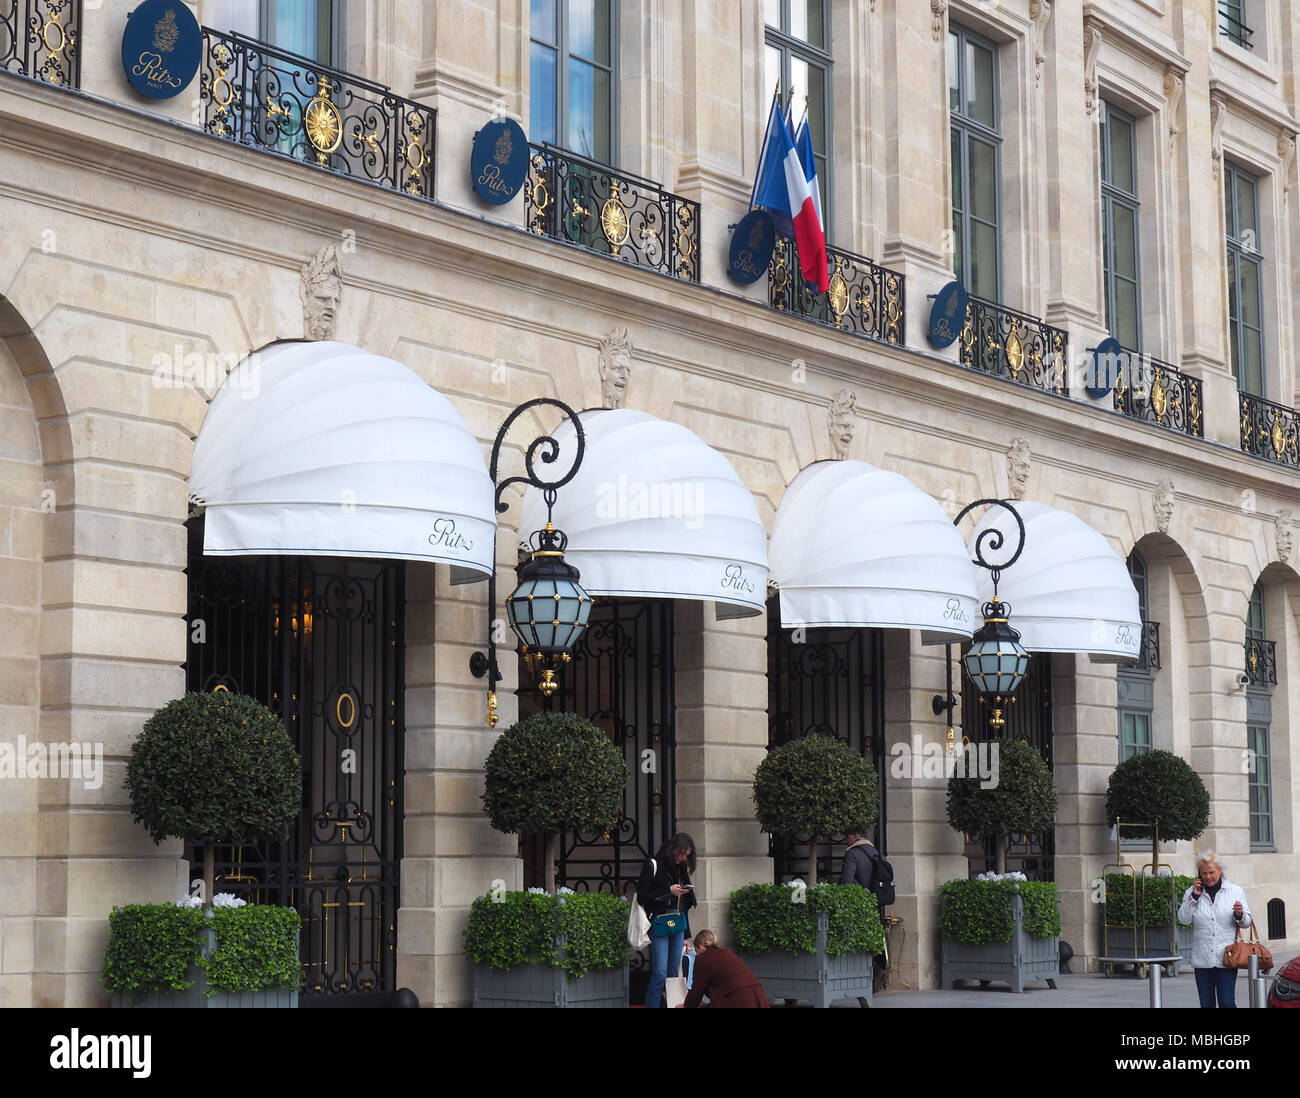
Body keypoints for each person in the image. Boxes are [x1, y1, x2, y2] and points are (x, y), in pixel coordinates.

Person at [1177, 850, 1253, 1008]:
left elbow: (1247, 922)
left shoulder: (1235, 891)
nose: (1208, 876)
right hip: (1202, 959)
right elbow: (1183, 919)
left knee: (1227, 1003)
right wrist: (1194, 898)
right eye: (1204, 873)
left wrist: (1239, 915)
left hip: (1227, 958)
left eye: (1211, 872)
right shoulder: (1191, 893)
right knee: (1206, 1004)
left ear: (1220, 870)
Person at [637, 832, 697, 1008]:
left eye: (687, 855)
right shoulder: (653, 864)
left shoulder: (681, 868)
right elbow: (643, 897)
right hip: (660, 921)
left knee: (674, 973)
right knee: (660, 973)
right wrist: (668, 891)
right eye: (682, 854)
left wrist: (687, 934)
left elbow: (684, 904)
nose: (683, 858)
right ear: (674, 849)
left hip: (677, 921)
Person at [841, 829, 888, 1000]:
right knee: (872, 941)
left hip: (859, 906)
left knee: (855, 944)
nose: (845, 838)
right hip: (876, 904)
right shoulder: (875, 851)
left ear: (855, 835)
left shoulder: (852, 853)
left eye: (846, 835)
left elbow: (847, 881)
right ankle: (877, 971)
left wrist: (861, 892)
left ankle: (869, 976)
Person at [679, 930, 769, 1008]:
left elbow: (696, 991)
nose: (696, 955)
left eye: (696, 950)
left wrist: (686, 1006)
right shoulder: (727, 953)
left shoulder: (703, 958)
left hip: (741, 1000)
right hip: (759, 996)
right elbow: (729, 988)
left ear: (701, 947)